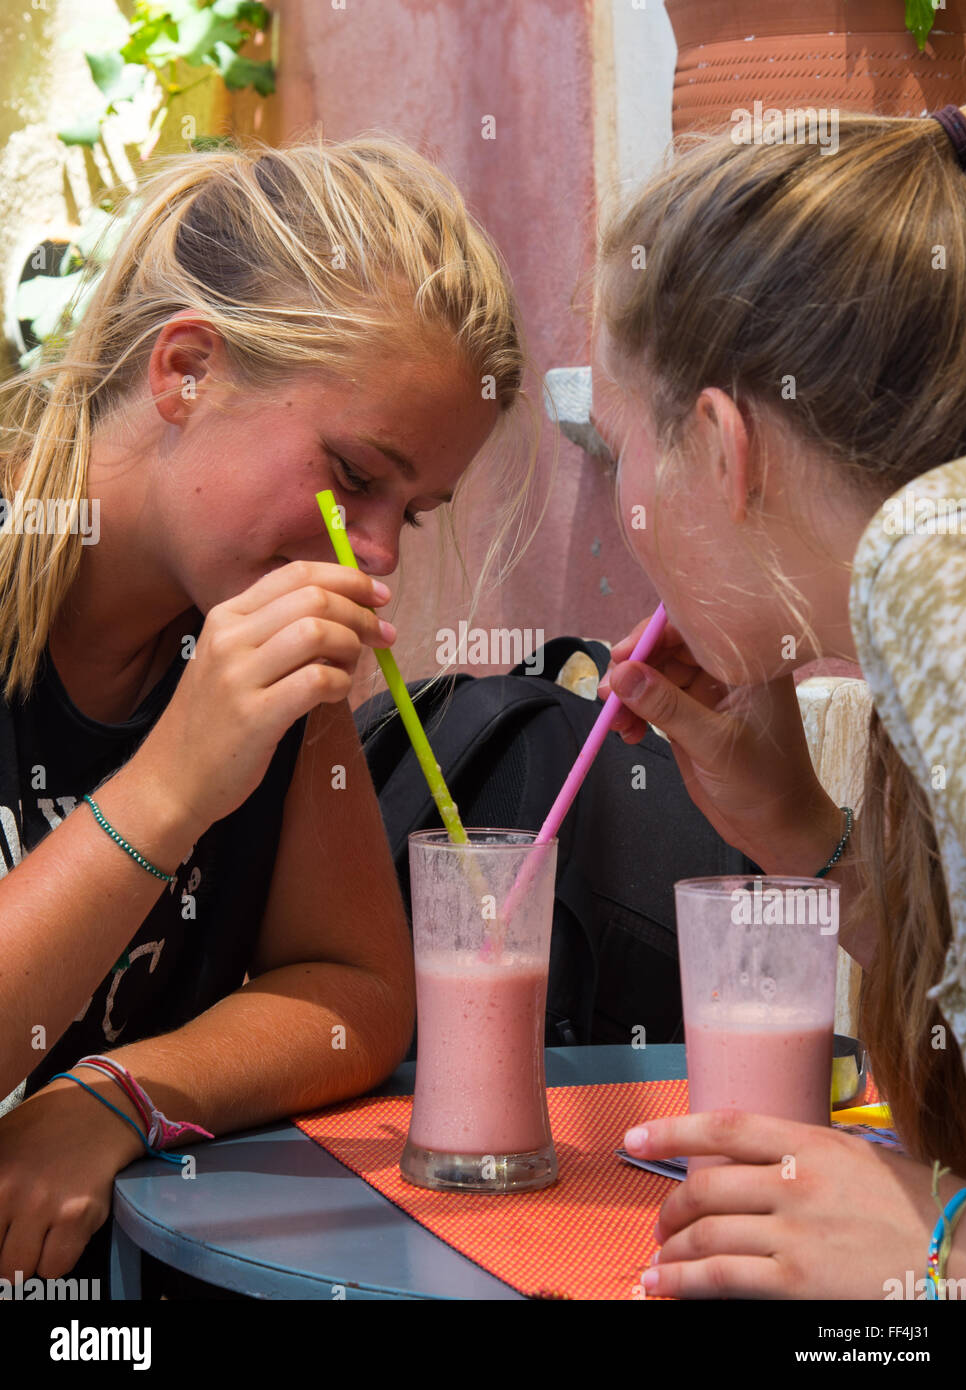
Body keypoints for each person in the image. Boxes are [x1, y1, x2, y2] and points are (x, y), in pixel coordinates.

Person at [0, 132, 527, 1287]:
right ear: (185, 370)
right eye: (352, 474)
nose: (376, 555)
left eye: (416, 511)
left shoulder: (255, 629)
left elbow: (358, 993)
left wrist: (121, 1091)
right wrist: (172, 785)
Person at [594, 101, 966, 1299]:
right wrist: (807, 838)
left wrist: (940, 1251)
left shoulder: (933, 555)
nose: (624, 510)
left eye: (616, 453)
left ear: (719, 445)